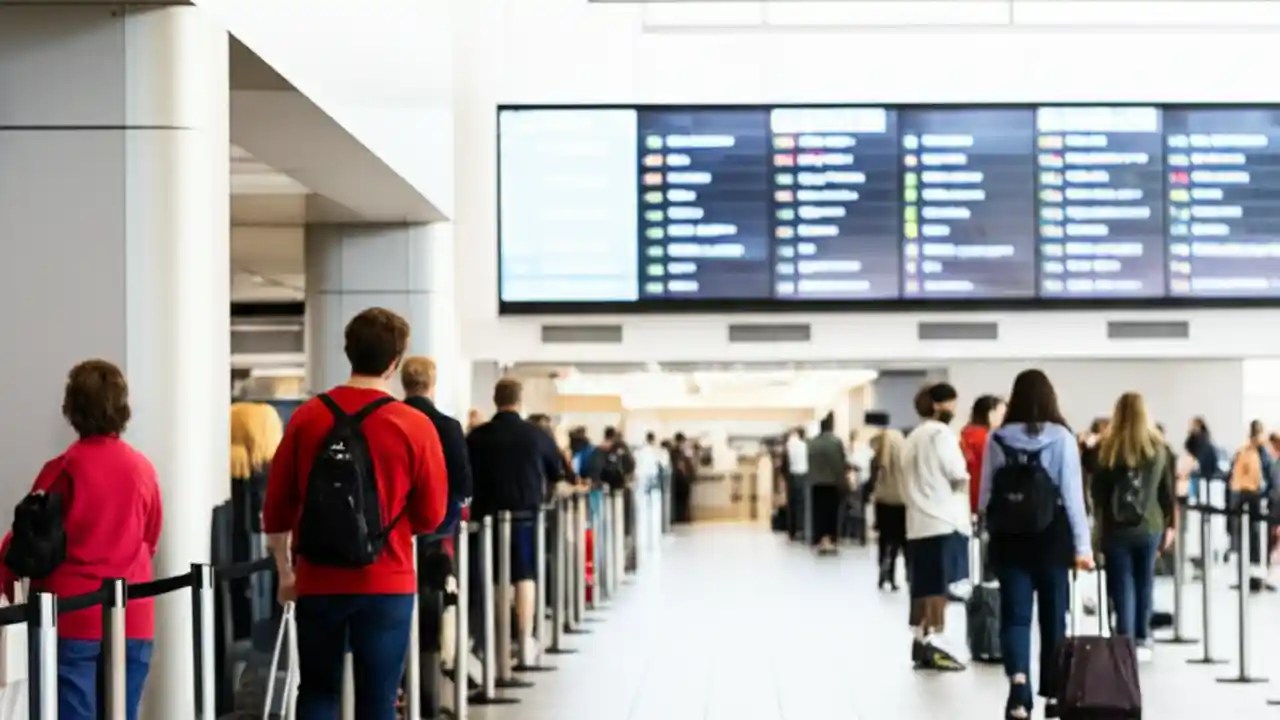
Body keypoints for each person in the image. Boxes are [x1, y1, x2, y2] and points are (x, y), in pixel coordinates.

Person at [264, 308, 448, 719]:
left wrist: (285, 574)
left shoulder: (306, 417)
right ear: (395, 361)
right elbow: (432, 515)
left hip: (317, 579)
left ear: (348, 351)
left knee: (316, 692)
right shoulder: (413, 424)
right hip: (388, 580)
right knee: (378, 701)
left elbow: (276, 508)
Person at [0, 361, 161, 720]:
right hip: (132, 614)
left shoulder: (62, 468)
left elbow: (30, 538)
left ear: (70, 409)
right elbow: (151, 539)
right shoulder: (143, 469)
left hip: (71, 615)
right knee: (122, 711)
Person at [979, 369, 1093, 720]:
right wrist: (1083, 547)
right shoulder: (1061, 438)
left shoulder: (996, 439)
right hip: (1052, 538)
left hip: (1010, 539)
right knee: (1053, 616)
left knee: (1014, 617)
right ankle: (1054, 694)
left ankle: (1018, 690)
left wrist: (987, 532)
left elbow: (985, 496)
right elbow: (1073, 497)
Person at [467, 378, 567, 665]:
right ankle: (523, 640)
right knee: (524, 578)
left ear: (495, 399)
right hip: (526, 517)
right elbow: (556, 471)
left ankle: (496, 643)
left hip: (486, 519)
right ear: (520, 400)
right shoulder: (536, 435)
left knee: (494, 578)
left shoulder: (477, 436)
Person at [400, 356, 472, 680]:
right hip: (436, 531)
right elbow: (463, 486)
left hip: (392, 535)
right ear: (432, 383)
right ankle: (431, 675)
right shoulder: (447, 426)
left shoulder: (389, 420)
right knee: (433, 603)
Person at [1090, 392, 1176, 663]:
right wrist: (1169, 525)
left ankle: (1123, 639)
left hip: (1116, 529)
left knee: (1122, 583)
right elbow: (1166, 492)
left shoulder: (1108, 448)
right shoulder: (1158, 448)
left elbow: (1098, 493)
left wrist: (1099, 526)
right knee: (1145, 582)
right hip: (1149, 525)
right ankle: (1143, 638)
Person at [902, 383, 969, 671]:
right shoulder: (941, 434)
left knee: (922, 585)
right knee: (941, 587)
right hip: (943, 520)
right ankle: (937, 642)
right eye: (952, 404)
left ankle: (920, 639)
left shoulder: (913, 436)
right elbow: (957, 473)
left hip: (917, 522)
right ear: (941, 406)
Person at [1229, 419, 1270, 586]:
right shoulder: (1252, 452)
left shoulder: (1251, 452)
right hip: (1249, 495)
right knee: (1248, 538)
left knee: (1253, 539)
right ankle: (1248, 576)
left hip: (1248, 495)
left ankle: (1255, 576)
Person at [871, 428, 908, 590]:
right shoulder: (904, 450)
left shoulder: (879, 455)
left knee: (885, 539)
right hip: (901, 500)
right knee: (901, 540)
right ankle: (898, 576)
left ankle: (883, 573)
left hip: (883, 500)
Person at [807, 413, 848, 554]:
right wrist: (842, 481)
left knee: (818, 514)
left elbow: (810, 464)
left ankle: (819, 540)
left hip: (816, 483)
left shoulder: (812, 443)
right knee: (831, 514)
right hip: (832, 483)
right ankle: (830, 541)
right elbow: (839, 464)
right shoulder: (836, 442)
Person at [961, 395, 1006, 517]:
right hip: (984, 500)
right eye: (1002, 414)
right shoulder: (987, 439)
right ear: (990, 414)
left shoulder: (964, 435)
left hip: (966, 500)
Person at [785, 427, 809, 540]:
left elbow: (785, 463)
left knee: (792, 505)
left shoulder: (790, 444)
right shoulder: (806, 445)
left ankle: (792, 531)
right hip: (804, 477)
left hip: (792, 477)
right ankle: (802, 529)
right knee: (803, 505)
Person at [670, 432, 696, 524]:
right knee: (680, 502)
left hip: (683, 481)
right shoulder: (674, 452)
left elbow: (689, 466)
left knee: (684, 501)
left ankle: (683, 519)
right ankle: (680, 519)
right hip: (679, 481)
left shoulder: (683, 452)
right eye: (682, 442)